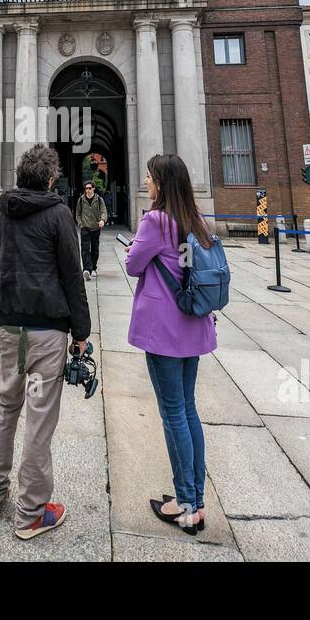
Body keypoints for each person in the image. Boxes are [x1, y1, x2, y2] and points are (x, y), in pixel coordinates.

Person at [0, 145, 90, 540]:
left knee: (5, 407)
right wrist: (81, 332)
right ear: (50, 179)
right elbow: (72, 275)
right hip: (47, 334)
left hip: (11, 330)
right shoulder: (58, 214)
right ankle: (30, 513)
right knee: (39, 419)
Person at [125, 154, 217, 535]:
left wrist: (138, 249)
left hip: (164, 331)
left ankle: (185, 504)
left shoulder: (155, 221)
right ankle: (196, 500)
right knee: (188, 409)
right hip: (193, 327)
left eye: (149, 178)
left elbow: (133, 265)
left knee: (173, 413)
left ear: (161, 184)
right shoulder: (195, 221)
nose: (146, 182)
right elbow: (187, 266)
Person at [75, 181, 108, 279]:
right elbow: (78, 214)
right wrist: (80, 224)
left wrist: (102, 220)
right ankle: (86, 269)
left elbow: (103, 211)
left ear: (93, 188)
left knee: (95, 249)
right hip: (85, 227)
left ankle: (93, 268)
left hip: (96, 228)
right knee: (85, 249)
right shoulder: (81, 200)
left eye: (89, 188)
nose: (88, 190)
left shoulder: (99, 200)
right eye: (86, 188)